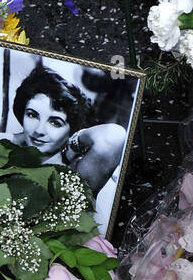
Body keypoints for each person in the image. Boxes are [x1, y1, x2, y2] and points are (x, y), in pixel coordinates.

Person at [11, 64, 126, 226]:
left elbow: (113, 136)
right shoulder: (4, 151)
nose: (39, 130)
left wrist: (70, 148)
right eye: (32, 115)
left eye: (55, 123)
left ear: (71, 130)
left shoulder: (75, 169)